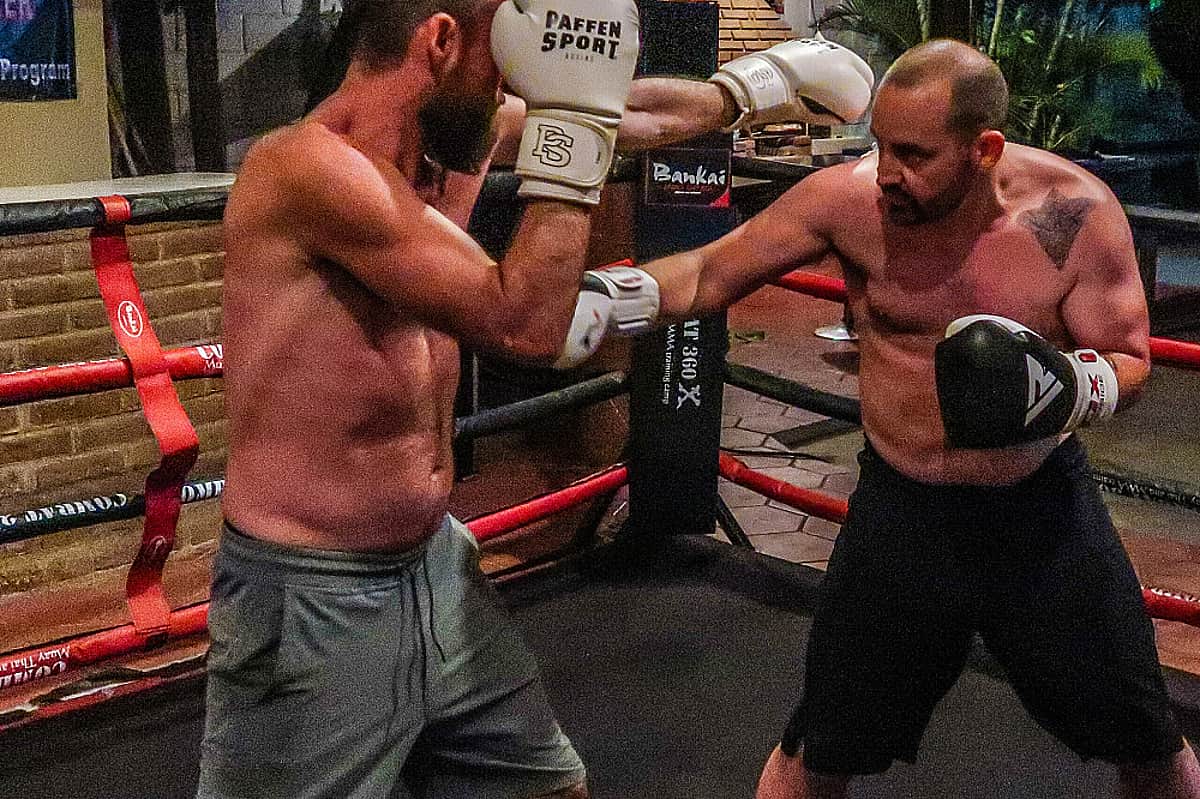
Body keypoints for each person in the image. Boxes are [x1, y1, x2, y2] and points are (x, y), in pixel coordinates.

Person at [203, 0, 874, 794]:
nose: (512, 91)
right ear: (442, 40)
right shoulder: (306, 169)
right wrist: (573, 111)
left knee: (547, 787)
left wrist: (762, 83)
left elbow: (630, 112)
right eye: (503, 67)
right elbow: (524, 324)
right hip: (311, 601)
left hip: (434, 566)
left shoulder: (454, 132)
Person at [559, 39, 1200, 799]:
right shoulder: (850, 200)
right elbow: (706, 269)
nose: (886, 171)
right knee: (818, 746)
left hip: (1039, 514)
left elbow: (1129, 357)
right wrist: (605, 299)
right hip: (903, 516)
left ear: (984, 149)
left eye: (913, 153)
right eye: (879, 144)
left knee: (1149, 740)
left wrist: (1068, 385)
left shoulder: (1073, 216)